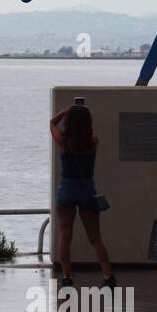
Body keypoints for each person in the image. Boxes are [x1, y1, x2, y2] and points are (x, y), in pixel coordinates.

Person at [49, 101, 115, 289]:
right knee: (95, 238)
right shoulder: (93, 142)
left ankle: (67, 277)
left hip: (67, 190)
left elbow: (52, 123)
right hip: (87, 190)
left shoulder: (63, 142)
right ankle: (108, 276)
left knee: (65, 236)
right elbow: (88, 130)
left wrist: (66, 111)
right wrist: (82, 115)